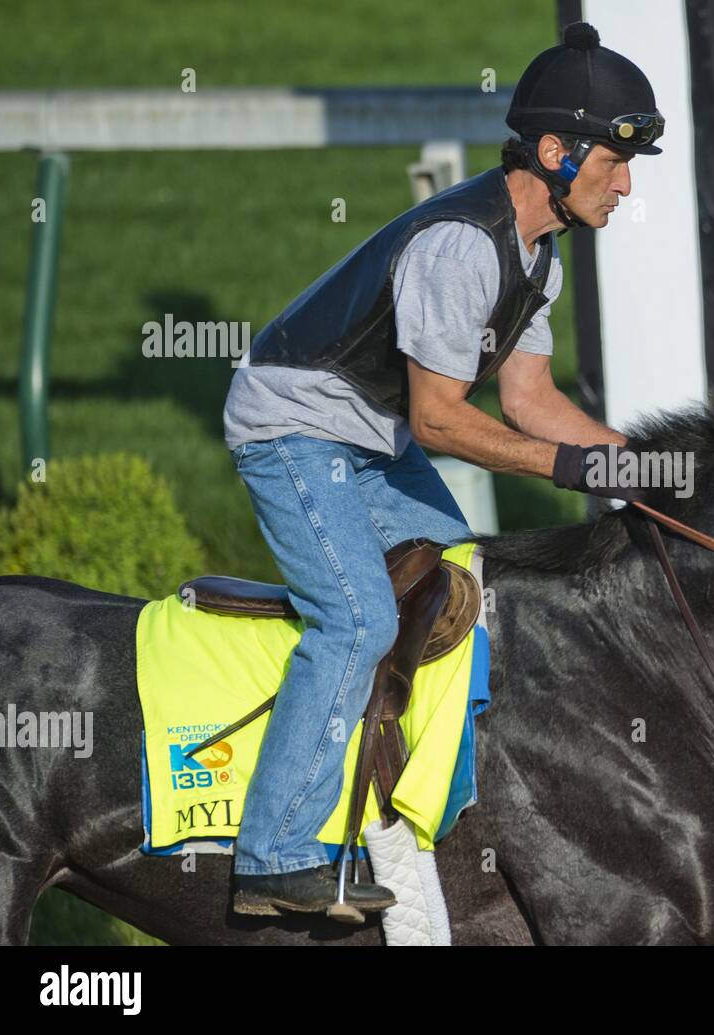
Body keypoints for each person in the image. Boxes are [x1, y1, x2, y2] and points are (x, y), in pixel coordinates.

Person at [223, 21, 664, 917]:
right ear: (554, 151)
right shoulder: (463, 246)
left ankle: (418, 804)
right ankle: (274, 856)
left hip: (369, 438)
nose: (626, 183)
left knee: (462, 586)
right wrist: (569, 467)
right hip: (292, 427)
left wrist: (641, 464)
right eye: (615, 160)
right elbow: (439, 418)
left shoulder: (537, 260)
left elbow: (530, 403)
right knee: (356, 618)